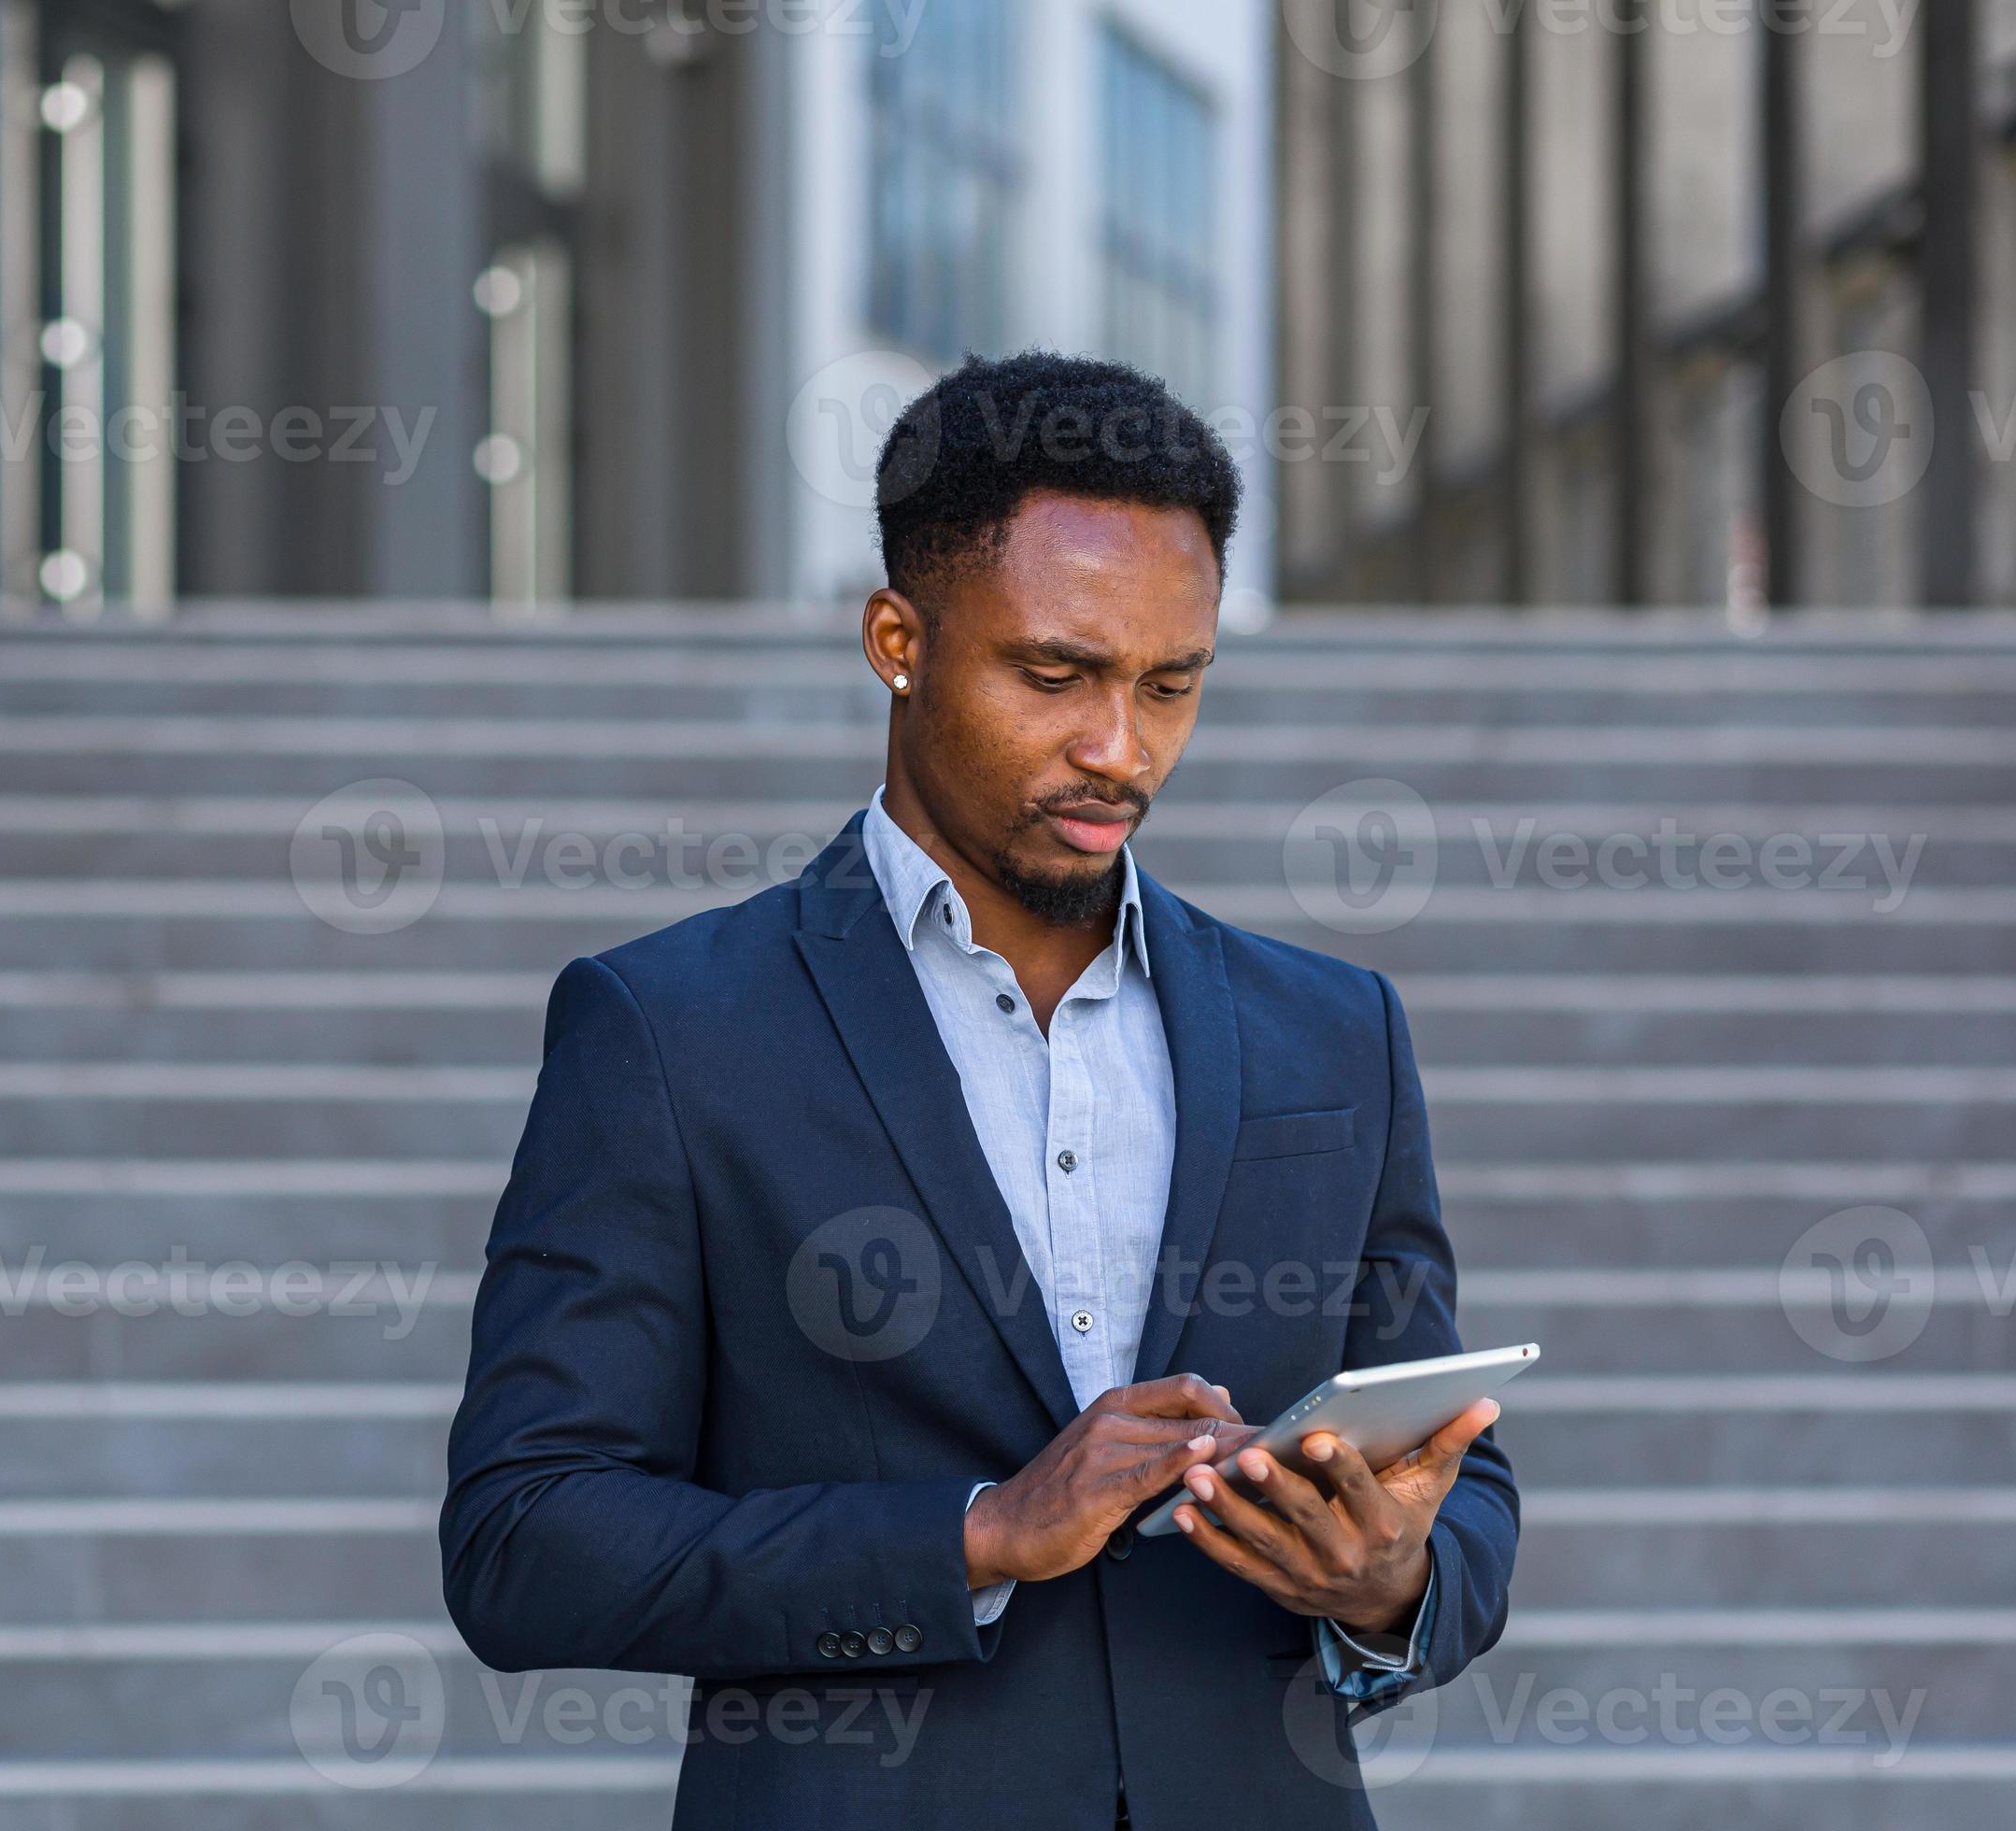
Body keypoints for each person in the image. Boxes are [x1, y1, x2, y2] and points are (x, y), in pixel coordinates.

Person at [444, 351, 1519, 1828]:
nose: (1116, 748)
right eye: (1054, 674)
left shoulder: (1334, 1031)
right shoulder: (669, 1030)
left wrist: (1391, 1579)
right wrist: (980, 1537)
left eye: (1170, 684)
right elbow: (525, 1539)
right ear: (898, 638)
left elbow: (1468, 1501)